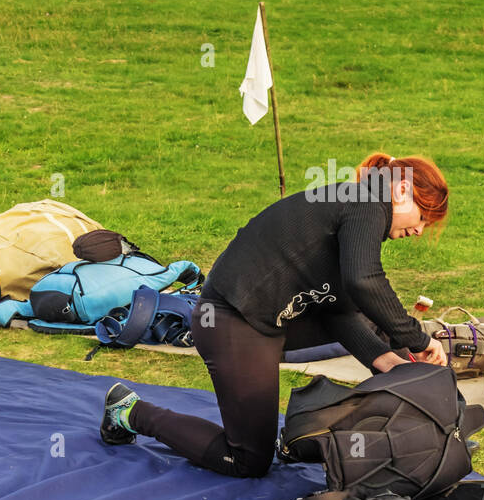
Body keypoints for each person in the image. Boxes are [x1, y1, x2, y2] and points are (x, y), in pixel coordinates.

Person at [99, 151, 449, 478]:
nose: (419, 231)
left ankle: (401, 418)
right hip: (230, 321)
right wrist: (418, 338)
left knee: (375, 318)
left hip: (269, 319)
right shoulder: (366, 202)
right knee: (247, 460)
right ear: (402, 189)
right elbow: (364, 281)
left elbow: (338, 310)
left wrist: (386, 360)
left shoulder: (357, 205)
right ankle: (130, 411)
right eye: (422, 218)